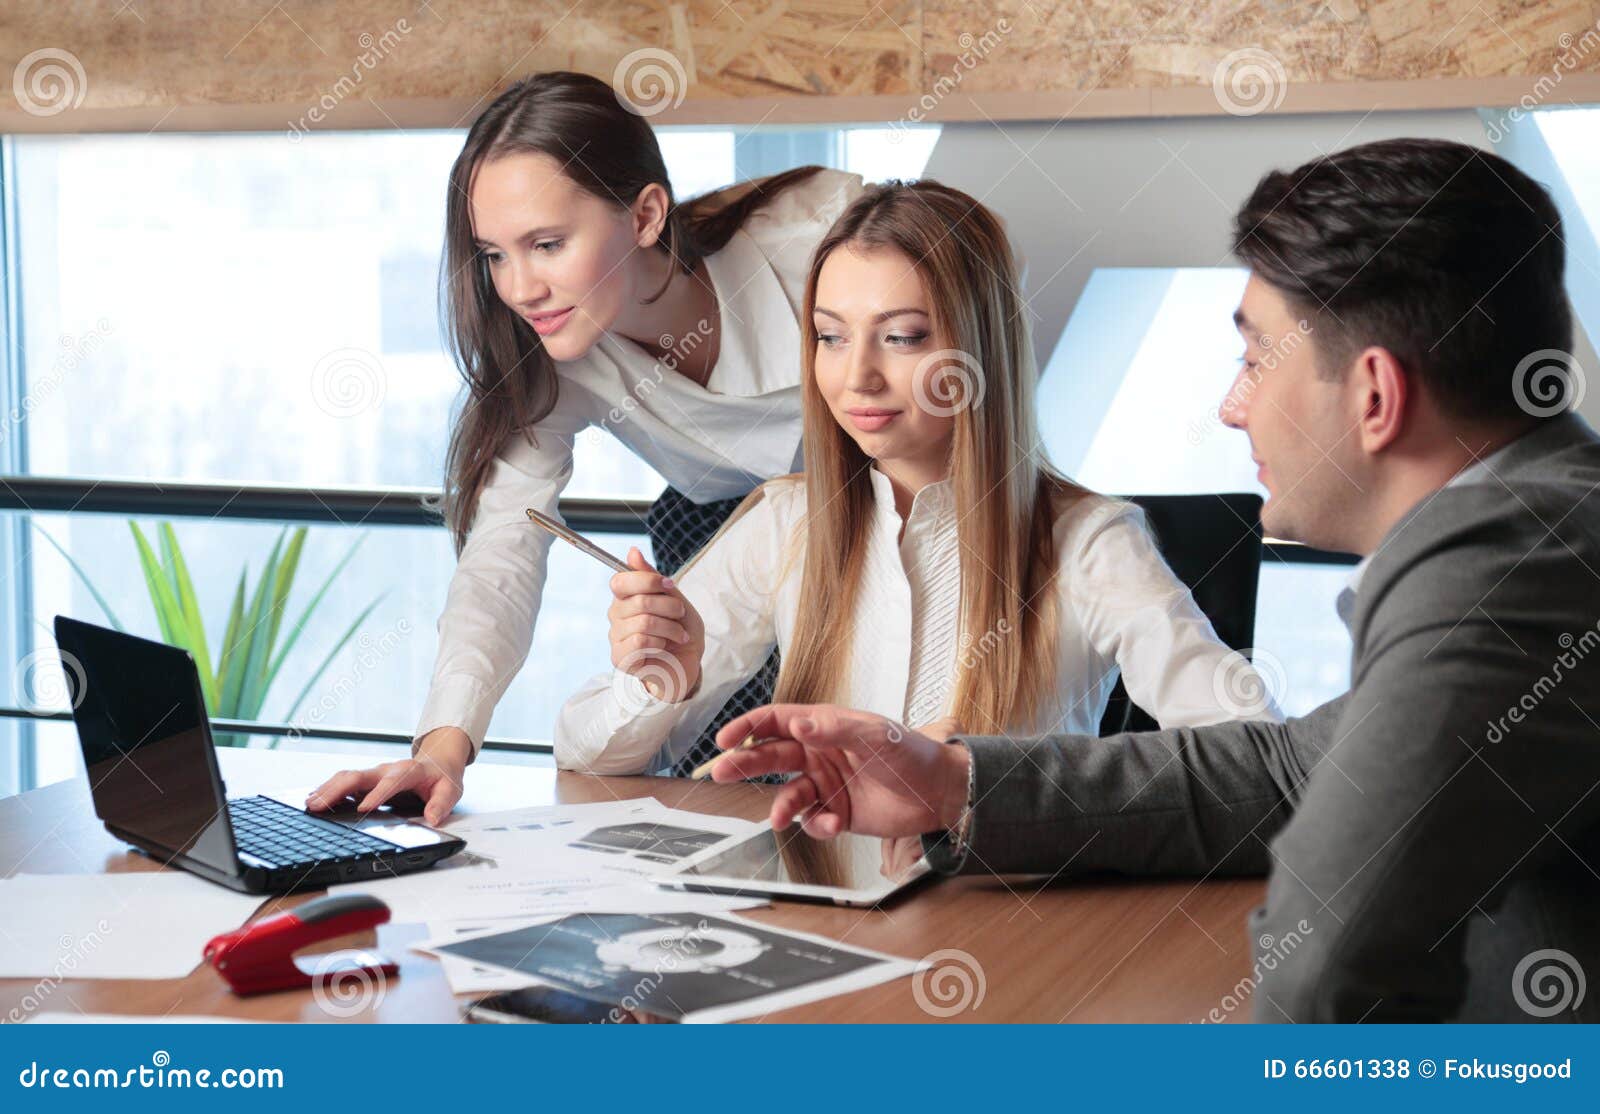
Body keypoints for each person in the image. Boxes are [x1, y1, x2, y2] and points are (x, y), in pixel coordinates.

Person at [709, 138, 1600, 1023]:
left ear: (1374, 394)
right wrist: (952, 781)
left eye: (1254, 359)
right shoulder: (1538, 528)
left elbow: (1325, 975)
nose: (1231, 405)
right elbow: (1293, 772)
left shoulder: (1507, 558)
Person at [554, 179, 1279, 776]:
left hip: (1000, 929)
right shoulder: (783, 523)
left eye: (902, 337)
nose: (858, 376)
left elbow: (1256, 755)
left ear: (978, 344)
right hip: (816, 923)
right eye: (831, 337)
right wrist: (658, 682)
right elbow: (581, 756)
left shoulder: (1087, 542)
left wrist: (1008, 781)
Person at [306, 71, 867, 822]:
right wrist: (440, 751)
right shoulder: (555, 355)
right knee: (710, 800)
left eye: (546, 244)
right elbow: (501, 555)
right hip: (717, 536)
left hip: (891, 516)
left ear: (644, 216)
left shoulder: (826, 242)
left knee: (865, 783)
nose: (520, 287)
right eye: (494, 255)